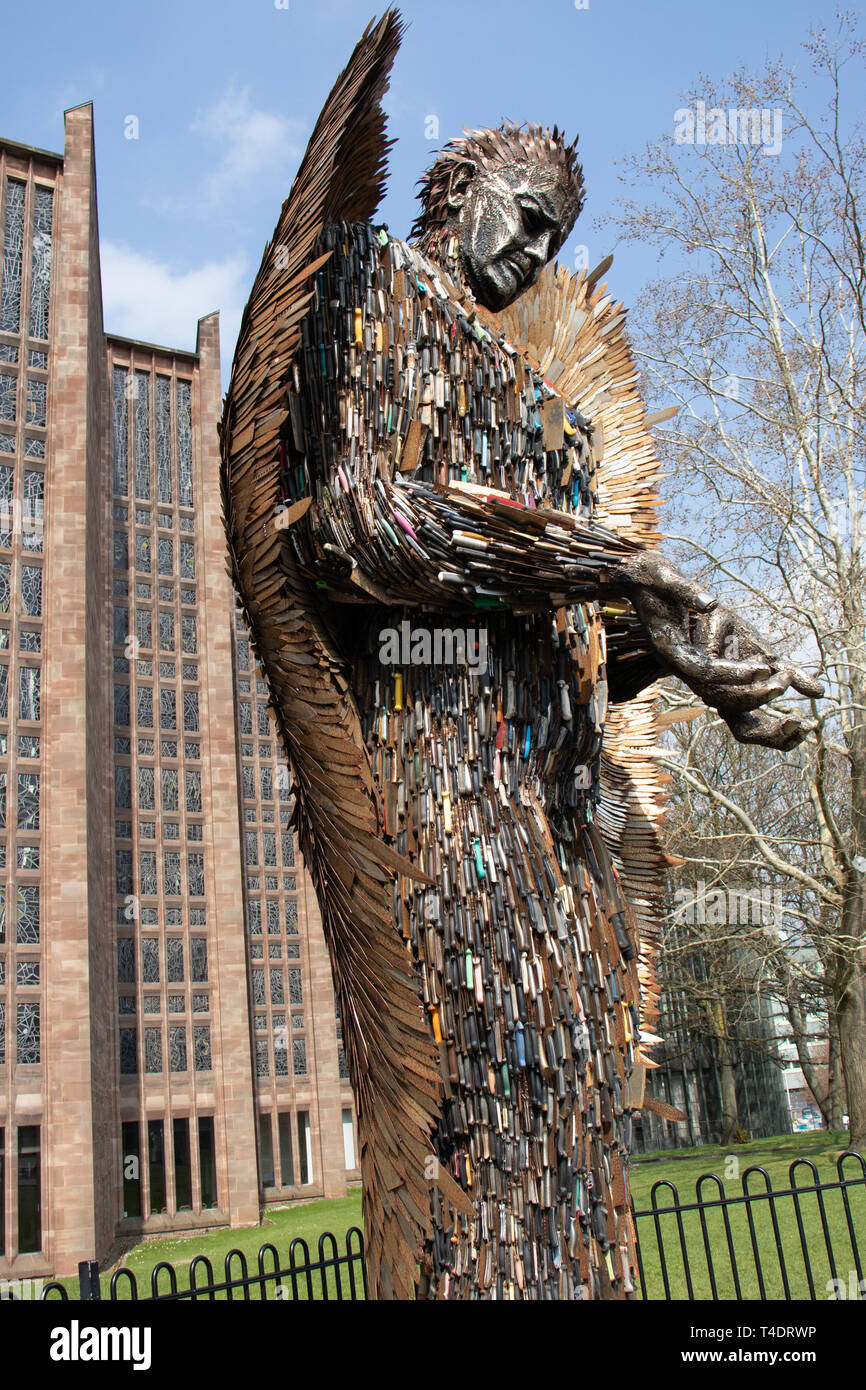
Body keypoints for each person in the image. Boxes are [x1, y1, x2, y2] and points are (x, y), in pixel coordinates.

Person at [220, 10, 821, 1300]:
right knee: (487, 1097)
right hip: (452, 804)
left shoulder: (531, 397)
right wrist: (597, 559)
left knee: (577, 1094)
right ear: (458, 189)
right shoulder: (376, 301)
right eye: (523, 213)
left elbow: (566, 647)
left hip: (563, 816)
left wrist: (678, 661)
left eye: (554, 231)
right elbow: (355, 527)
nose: (536, 250)